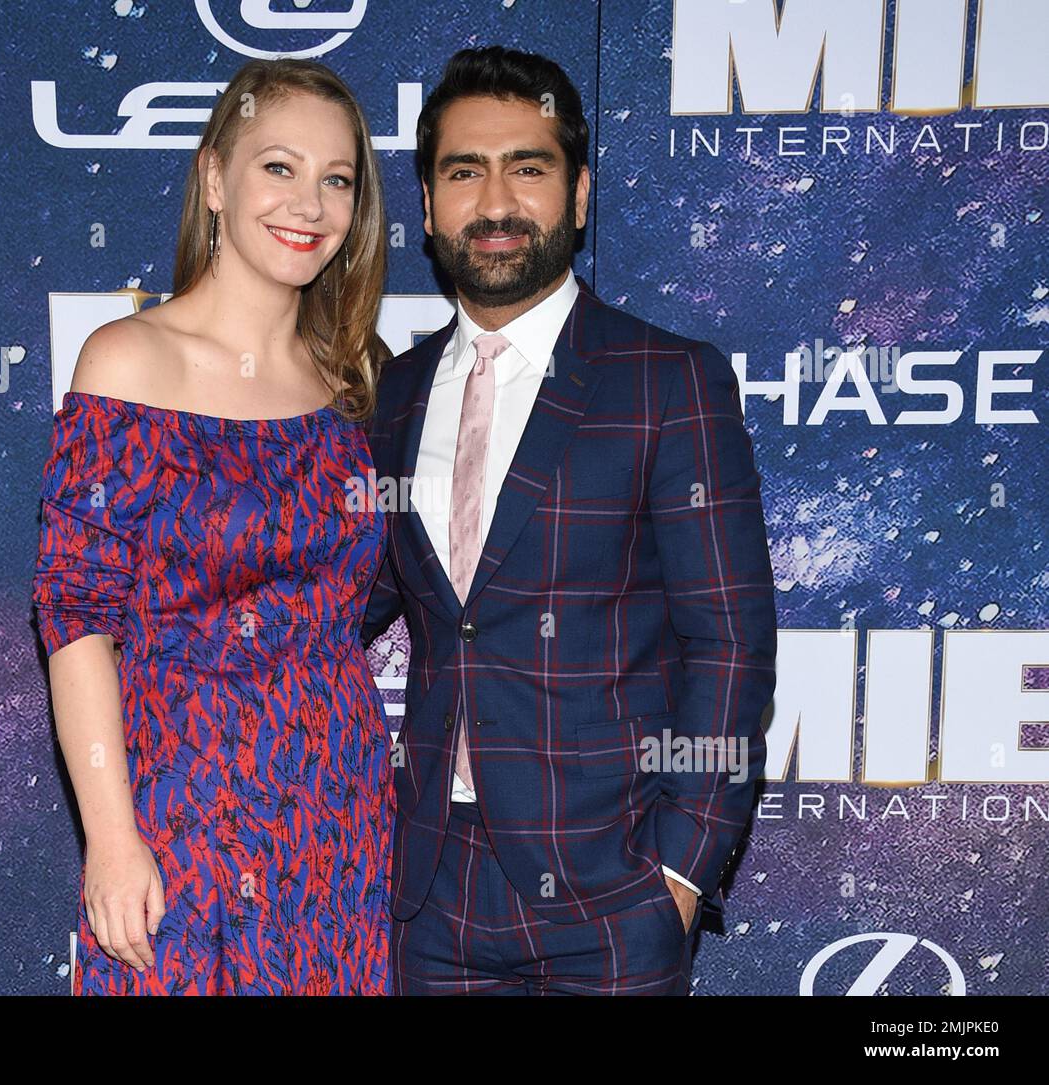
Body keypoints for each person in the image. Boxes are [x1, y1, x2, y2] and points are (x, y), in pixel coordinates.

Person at [362, 46, 778, 995]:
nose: (496, 200)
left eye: (529, 166)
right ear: (427, 206)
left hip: (614, 886)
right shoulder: (396, 393)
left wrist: (678, 871)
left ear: (579, 194)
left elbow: (730, 643)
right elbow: (348, 596)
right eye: (464, 171)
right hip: (433, 891)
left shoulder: (665, 381)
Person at [32, 58, 394, 995]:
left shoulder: (359, 383)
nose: (308, 202)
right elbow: (74, 614)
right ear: (213, 180)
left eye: (337, 179)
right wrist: (112, 835)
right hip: (174, 798)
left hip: (336, 804)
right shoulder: (126, 361)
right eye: (279, 167)